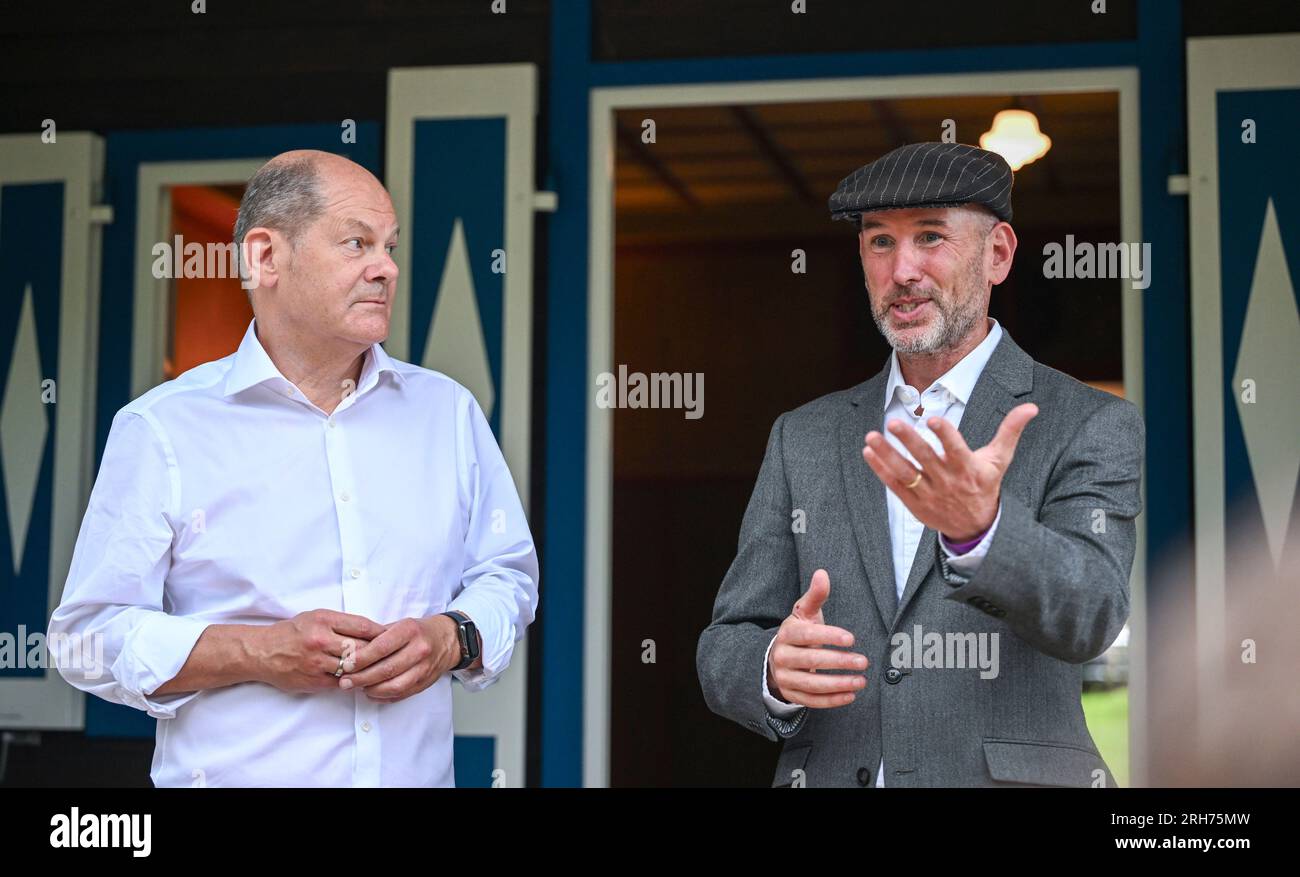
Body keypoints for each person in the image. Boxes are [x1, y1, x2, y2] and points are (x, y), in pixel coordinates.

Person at [48, 150, 538, 787]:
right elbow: (86, 639)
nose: (386, 268)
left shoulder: (447, 412)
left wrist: (453, 637)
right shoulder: (163, 427)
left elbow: (506, 573)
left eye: (390, 246)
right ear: (264, 256)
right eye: (357, 243)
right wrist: (258, 651)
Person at [697, 142, 1144, 787]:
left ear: (998, 255)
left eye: (930, 237)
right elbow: (725, 643)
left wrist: (984, 533)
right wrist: (770, 667)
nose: (902, 269)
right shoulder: (803, 435)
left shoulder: (1089, 421)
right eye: (880, 242)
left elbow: (1093, 613)